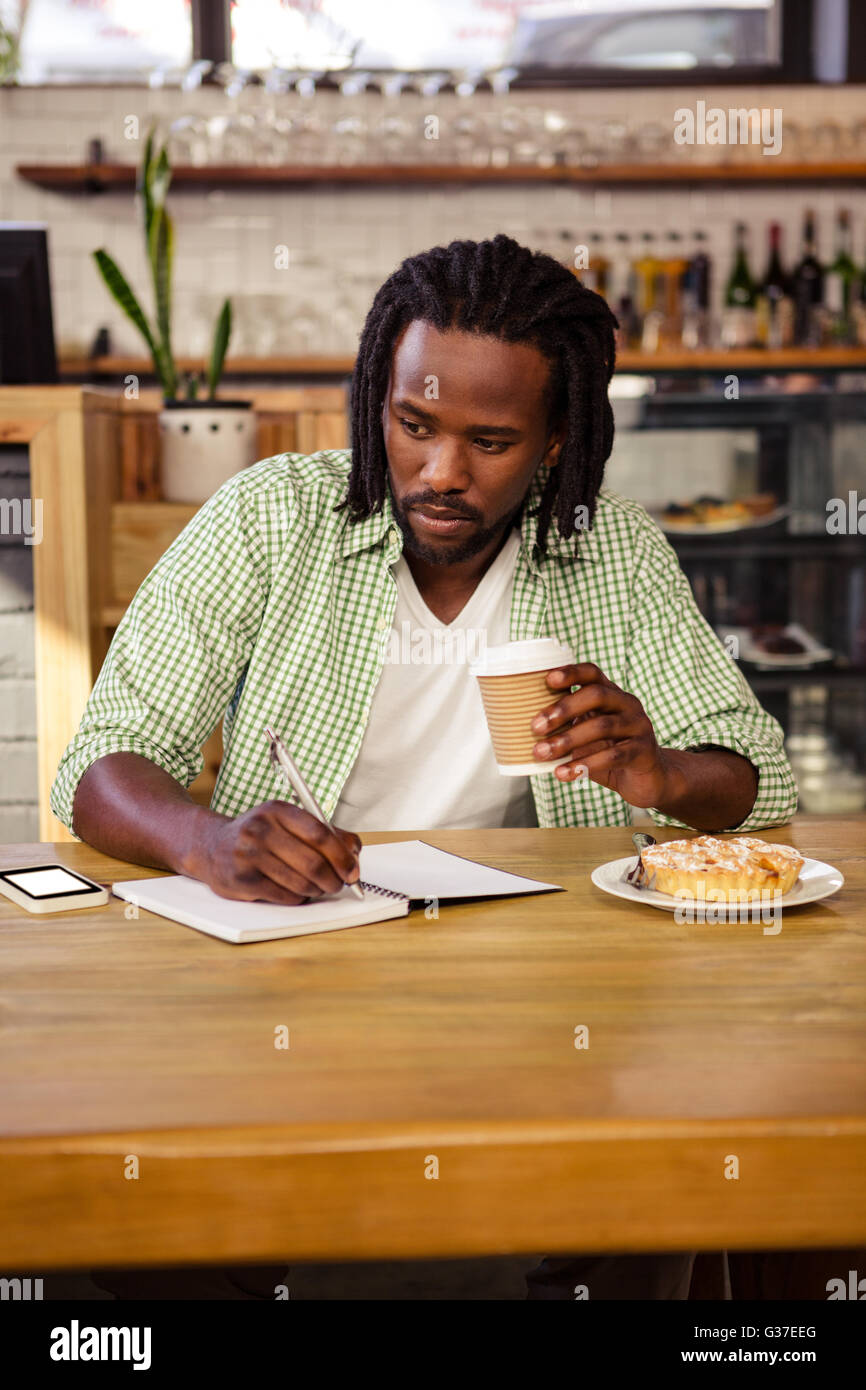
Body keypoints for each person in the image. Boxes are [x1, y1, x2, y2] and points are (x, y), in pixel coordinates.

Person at [51, 235, 797, 1300]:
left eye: (490, 441)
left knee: (661, 1183)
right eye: (413, 426)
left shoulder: (611, 551)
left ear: (553, 442)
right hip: (286, 970)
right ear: (376, 402)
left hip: (545, 990)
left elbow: (757, 779)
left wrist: (660, 773)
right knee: (144, 1219)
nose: (441, 472)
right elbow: (99, 759)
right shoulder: (272, 518)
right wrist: (203, 838)